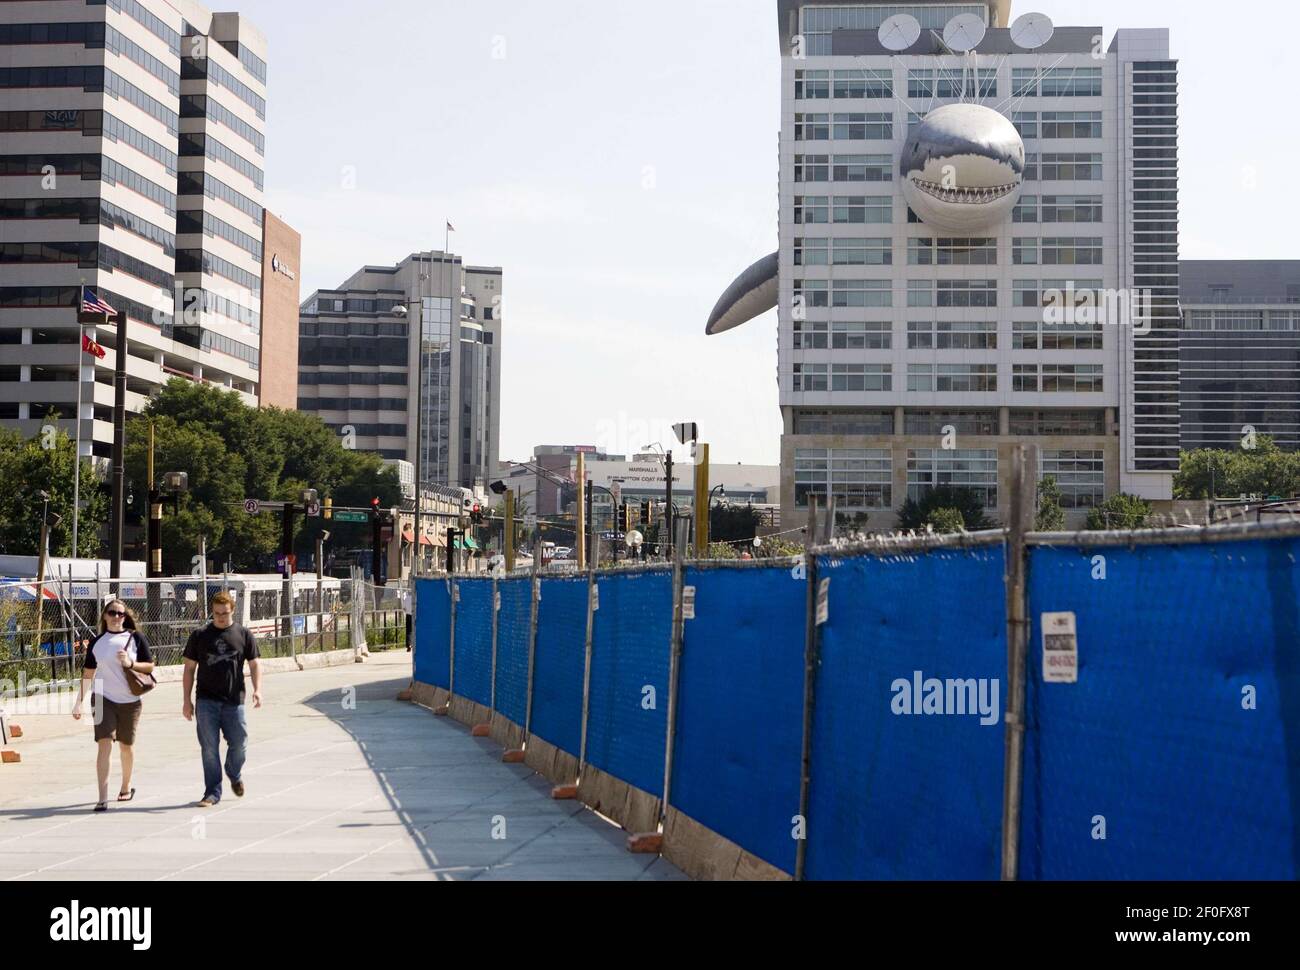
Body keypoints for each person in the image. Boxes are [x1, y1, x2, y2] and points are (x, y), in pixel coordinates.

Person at [71, 600, 156, 813]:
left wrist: (130, 663)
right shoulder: (97, 643)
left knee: (126, 746)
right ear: (105, 616)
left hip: (130, 700)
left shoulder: (136, 638)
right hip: (102, 698)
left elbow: (150, 666)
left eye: (121, 613)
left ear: (125, 617)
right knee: (104, 743)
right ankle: (102, 798)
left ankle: (126, 786)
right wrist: (78, 703)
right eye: (113, 613)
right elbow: (88, 674)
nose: (117, 616)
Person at [182, 591, 261, 807]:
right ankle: (212, 792)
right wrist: (186, 700)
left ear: (232, 611)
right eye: (216, 613)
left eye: (224, 613)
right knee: (209, 748)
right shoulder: (200, 635)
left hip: (234, 700)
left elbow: (254, 664)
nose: (220, 618)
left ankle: (233, 772)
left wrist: (257, 689)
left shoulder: (243, 635)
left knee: (240, 744)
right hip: (206, 701)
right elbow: (189, 669)